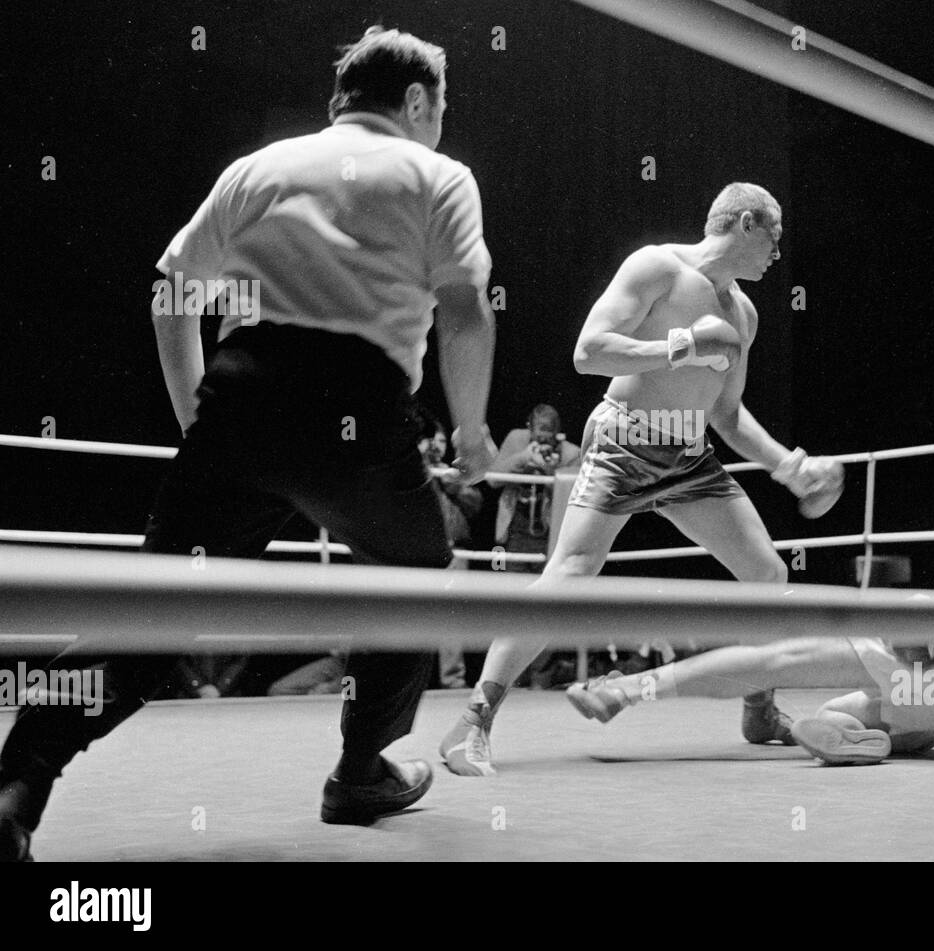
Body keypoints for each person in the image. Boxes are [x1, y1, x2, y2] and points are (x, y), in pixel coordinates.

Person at [0, 26, 495, 861]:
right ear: (415, 101)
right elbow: (468, 310)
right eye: (440, 108)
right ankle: (360, 767)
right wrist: (474, 428)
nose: (442, 124)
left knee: (152, 618)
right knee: (415, 580)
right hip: (361, 407)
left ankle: (15, 783)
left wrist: (200, 413)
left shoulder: (257, 168)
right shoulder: (437, 173)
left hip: (244, 393)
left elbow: (172, 295)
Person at [440, 183, 846, 776]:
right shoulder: (656, 265)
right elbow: (589, 352)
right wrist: (682, 344)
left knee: (767, 573)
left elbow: (727, 416)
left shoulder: (745, 314)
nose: (779, 251)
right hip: (625, 438)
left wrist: (791, 468)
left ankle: (760, 710)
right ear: (746, 223)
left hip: (689, 452)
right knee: (572, 574)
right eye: (775, 234)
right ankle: (472, 720)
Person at [566, 457, 934, 763]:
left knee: (783, 658)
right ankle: (869, 741)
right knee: (836, 715)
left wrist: (932, 615)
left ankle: (627, 691)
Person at [489, 404, 582, 686]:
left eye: (549, 434)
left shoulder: (571, 453)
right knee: (512, 606)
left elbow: (574, 496)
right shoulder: (517, 440)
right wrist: (522, 459)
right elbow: (493, 478)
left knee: (545, 607)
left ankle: (541, 678)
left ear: (558, 433)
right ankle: (506, 679)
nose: (543, 440)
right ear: (530, 429)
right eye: (538, 433)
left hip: (550, 540)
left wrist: (551, 473)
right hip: (514, 536)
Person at [421, 418, 484, 688]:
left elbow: (476, 504)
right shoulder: (410, 473)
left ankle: (453, 681)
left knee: (451, 616)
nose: (437, 445)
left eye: (443, 440)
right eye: (431, 439)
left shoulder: (450, 475)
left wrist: (454, 485)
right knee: (415, 616)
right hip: (419, 552)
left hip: (455, 550)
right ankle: (411, 685)